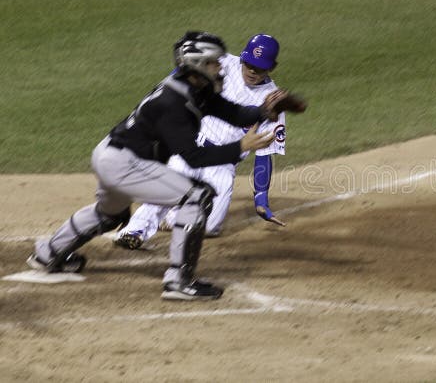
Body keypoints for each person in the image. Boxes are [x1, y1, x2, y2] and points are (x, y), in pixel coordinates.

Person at [27, 31, 283, 301]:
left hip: (113, 155)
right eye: (213, 63)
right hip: (126, 164)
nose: (221, 68)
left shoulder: (195, 89)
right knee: (197, 197)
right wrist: (241, 147)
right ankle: (179, 281)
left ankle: (48, 254)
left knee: (110, 215)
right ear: (197, 64)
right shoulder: (174, 101)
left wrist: (263, 111)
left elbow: (233, 113)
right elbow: (194, 157)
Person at [113, 34, 288, 251]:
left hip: (224, 164)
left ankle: (174, 215)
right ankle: (134, 230)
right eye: (249, 64)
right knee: (166, 187)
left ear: (272, 67)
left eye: (259, 68)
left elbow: (264, 153)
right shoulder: (222, 64)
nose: (252, 71)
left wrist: (261, 199)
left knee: (210, 227)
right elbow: (183, 74)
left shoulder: (273, 101)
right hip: (192, 147)